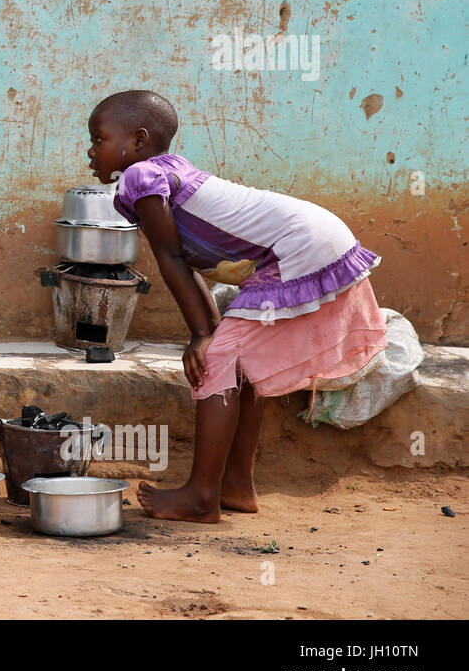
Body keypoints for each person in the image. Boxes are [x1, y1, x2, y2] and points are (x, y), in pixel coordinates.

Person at [87, 90, 387, 523]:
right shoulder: (165, 173)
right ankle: (235, 487)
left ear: (137, 140)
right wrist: (205, 329)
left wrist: (201, 337)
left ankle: (200, 498)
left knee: (216, 360)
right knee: (237, 364)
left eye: (98, 138)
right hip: (316, 235)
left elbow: (171, 260)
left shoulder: (140, 177)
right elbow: (184, 262)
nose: (91, 151)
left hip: (299, 247)